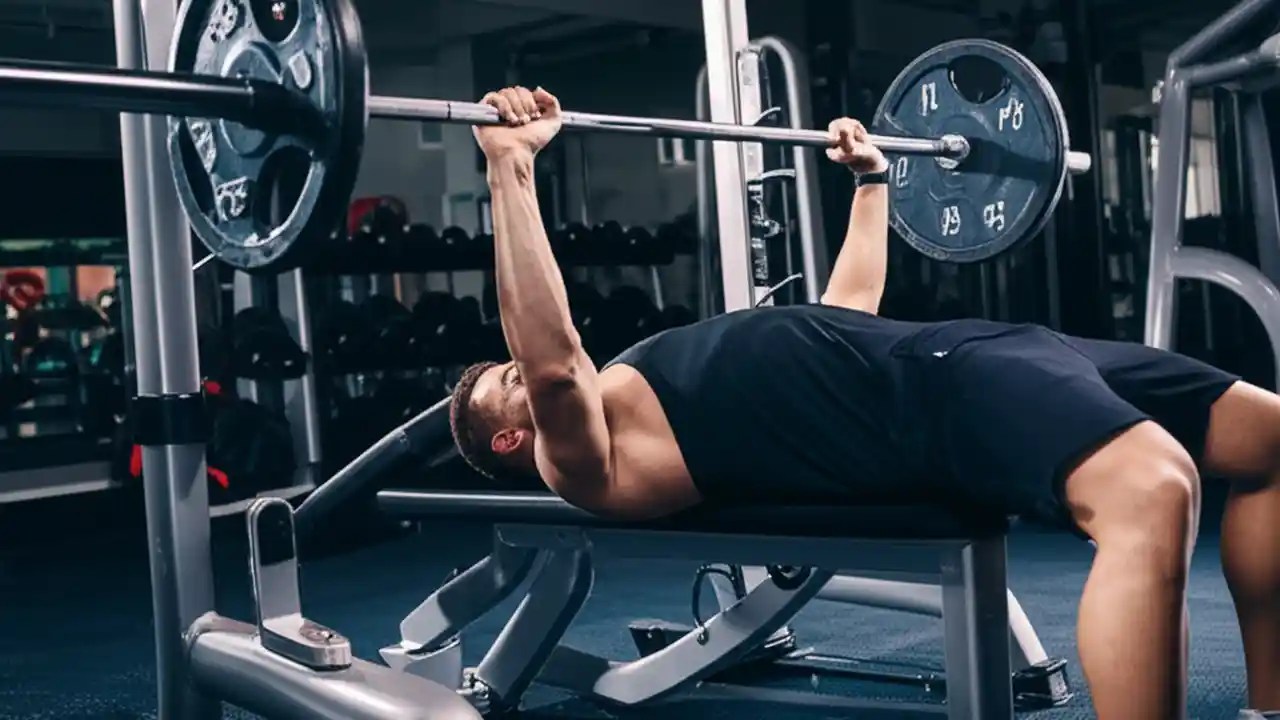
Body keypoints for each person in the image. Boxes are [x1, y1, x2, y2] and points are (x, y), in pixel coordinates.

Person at [448, 85, 1280, 720]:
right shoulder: (583, 457)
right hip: (945, 392)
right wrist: (511, 166)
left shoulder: (638, 378)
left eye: (512, 368)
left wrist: (873, 183)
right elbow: (551, 360)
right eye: (508, 384)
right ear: (519, 441)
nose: (525, 372)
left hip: (979, 348)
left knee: (1268, 439)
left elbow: (844, 317)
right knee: (1153, 490)